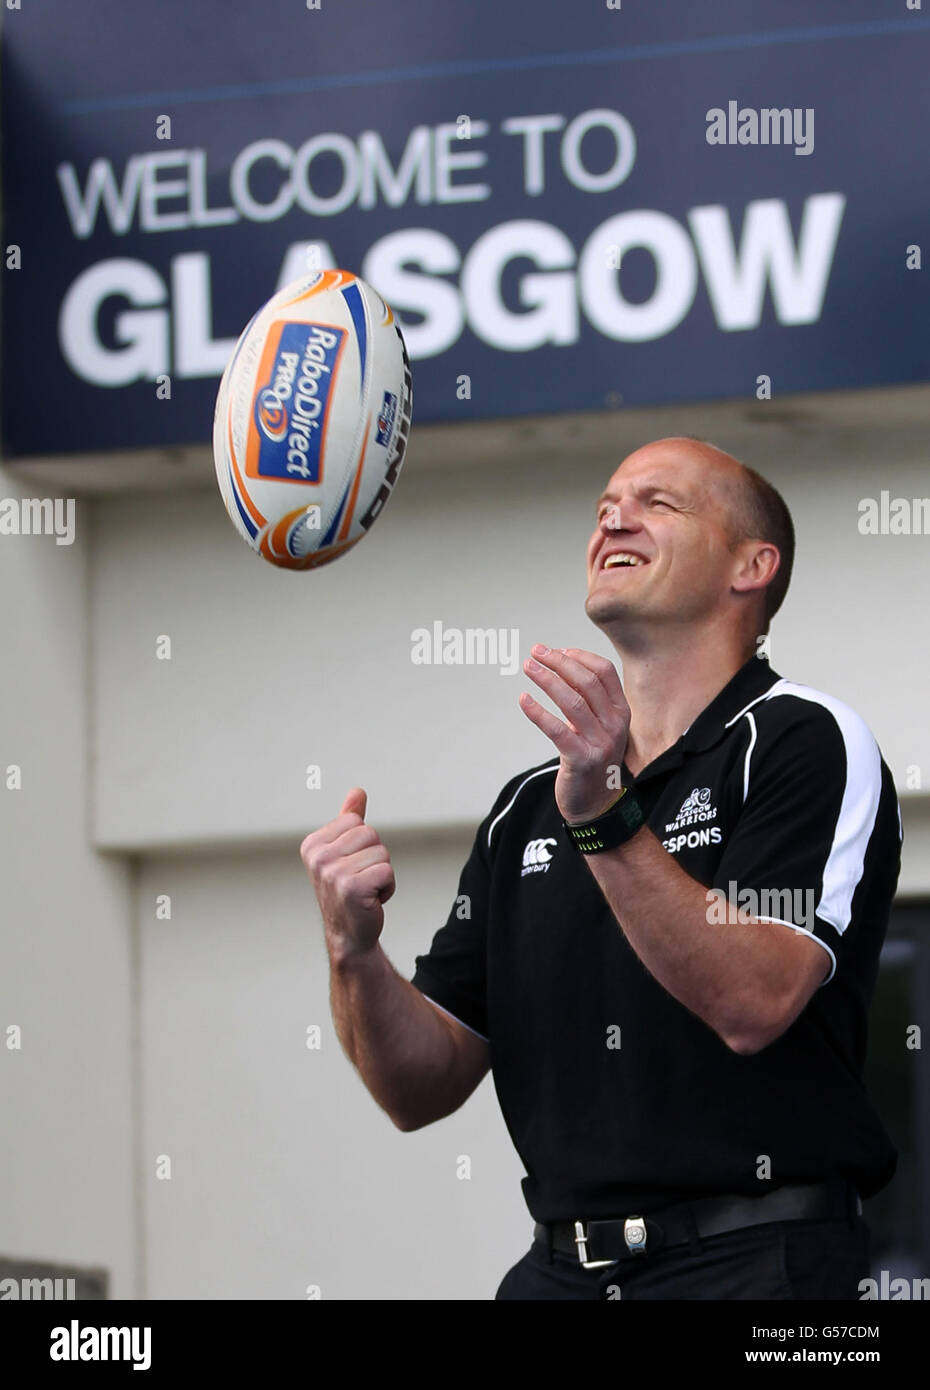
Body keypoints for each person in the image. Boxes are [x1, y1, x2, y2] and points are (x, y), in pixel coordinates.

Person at [300, 436, 901, 1300]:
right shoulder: (524, 807)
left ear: (751, 566)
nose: (614, 516)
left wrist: (605, 817)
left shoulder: (802, 740)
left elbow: (754, 1000)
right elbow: (417, 1089)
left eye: (660, 502)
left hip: (759, 1265)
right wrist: (352, 951)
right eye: (606, 505)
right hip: (560, 1270)